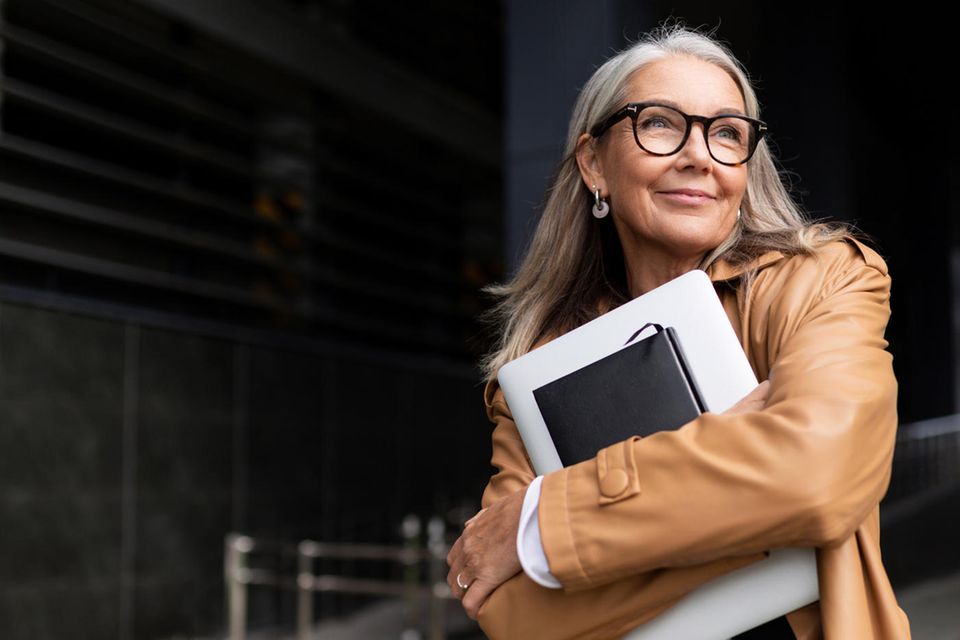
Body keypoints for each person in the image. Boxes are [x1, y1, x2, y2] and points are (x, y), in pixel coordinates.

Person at [445, 22, 912, 640]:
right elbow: (514, 616)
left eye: (726, 133)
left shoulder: (823, 280)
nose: (698, 155)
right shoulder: (536, 370)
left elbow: (818, 479)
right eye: (660, 122)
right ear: (593, 163)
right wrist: (753, 498)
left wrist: (543, 526)